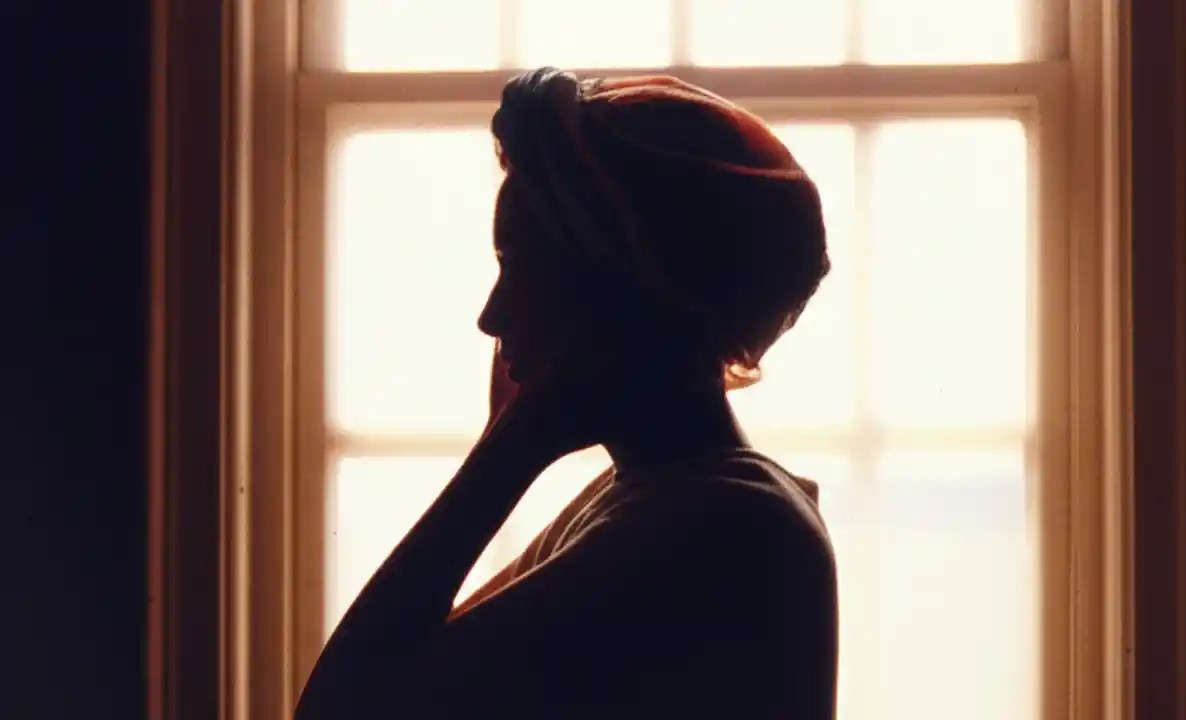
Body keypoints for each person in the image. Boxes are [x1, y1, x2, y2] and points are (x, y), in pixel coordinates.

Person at [296, 66, 839, 719]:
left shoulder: (723, 526)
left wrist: (509, 452)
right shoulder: (652, 499)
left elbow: (345, 708)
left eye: (519, 270)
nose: (492, 317)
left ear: (624, 296)